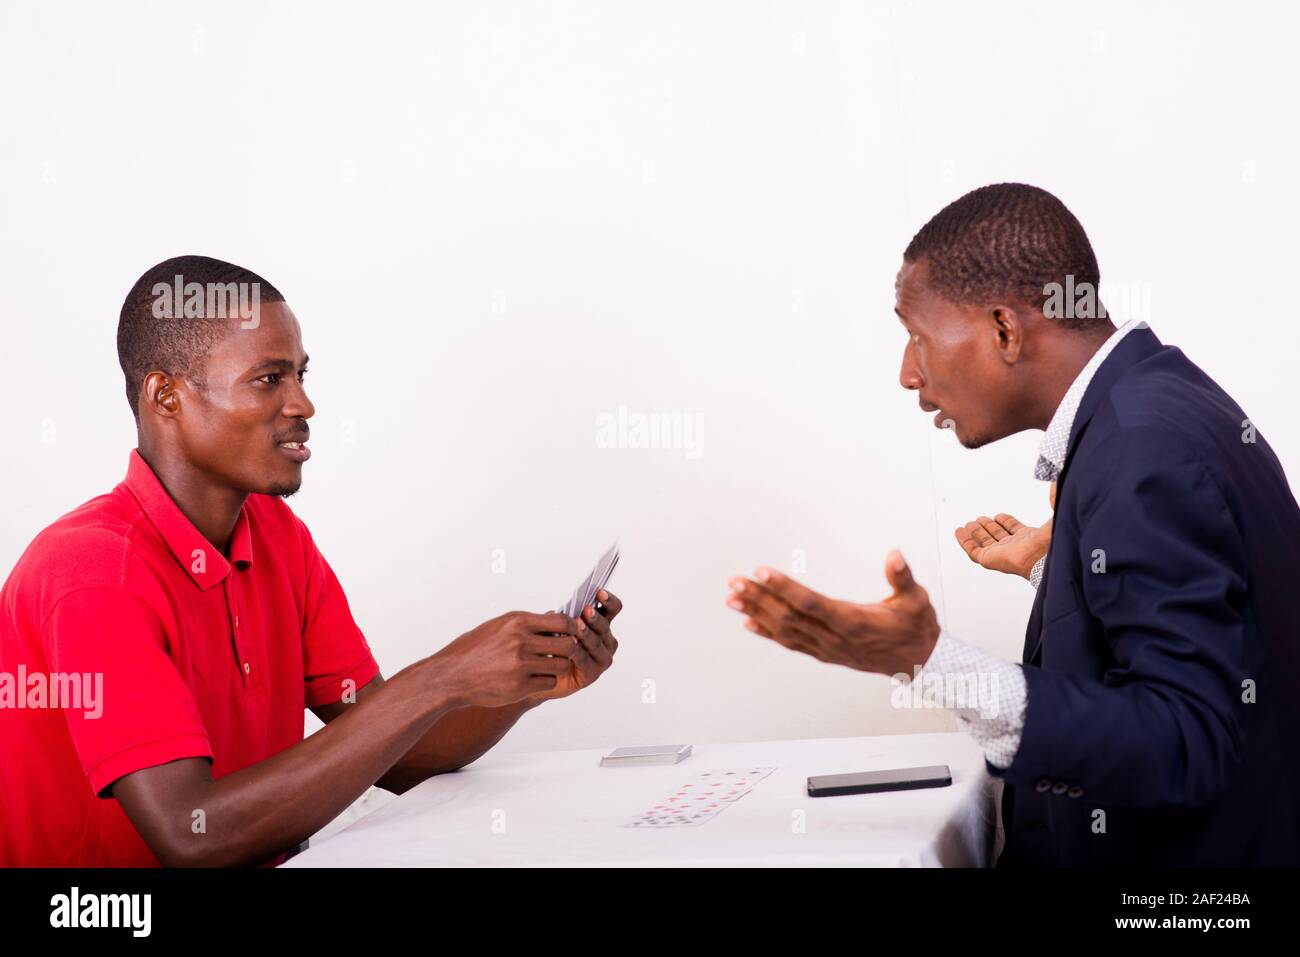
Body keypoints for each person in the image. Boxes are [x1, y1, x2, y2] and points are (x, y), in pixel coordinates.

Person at [725, 183, 1300, 866]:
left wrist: (932, 662)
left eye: (917, 337)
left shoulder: (1140, 451)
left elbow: (1185, 742)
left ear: (1005, 328)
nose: (909, 373)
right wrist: (1058, 572)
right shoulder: (1158, 402)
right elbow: (1214, 631)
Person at [0, 255, 622, 867]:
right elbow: (192, 836)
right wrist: (438, 678)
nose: (303, 404)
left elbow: (398, 753)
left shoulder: (274, 534)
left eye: (301, 375)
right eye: (269, 379)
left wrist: (527, 679)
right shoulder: (91, 574)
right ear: (166, 396)